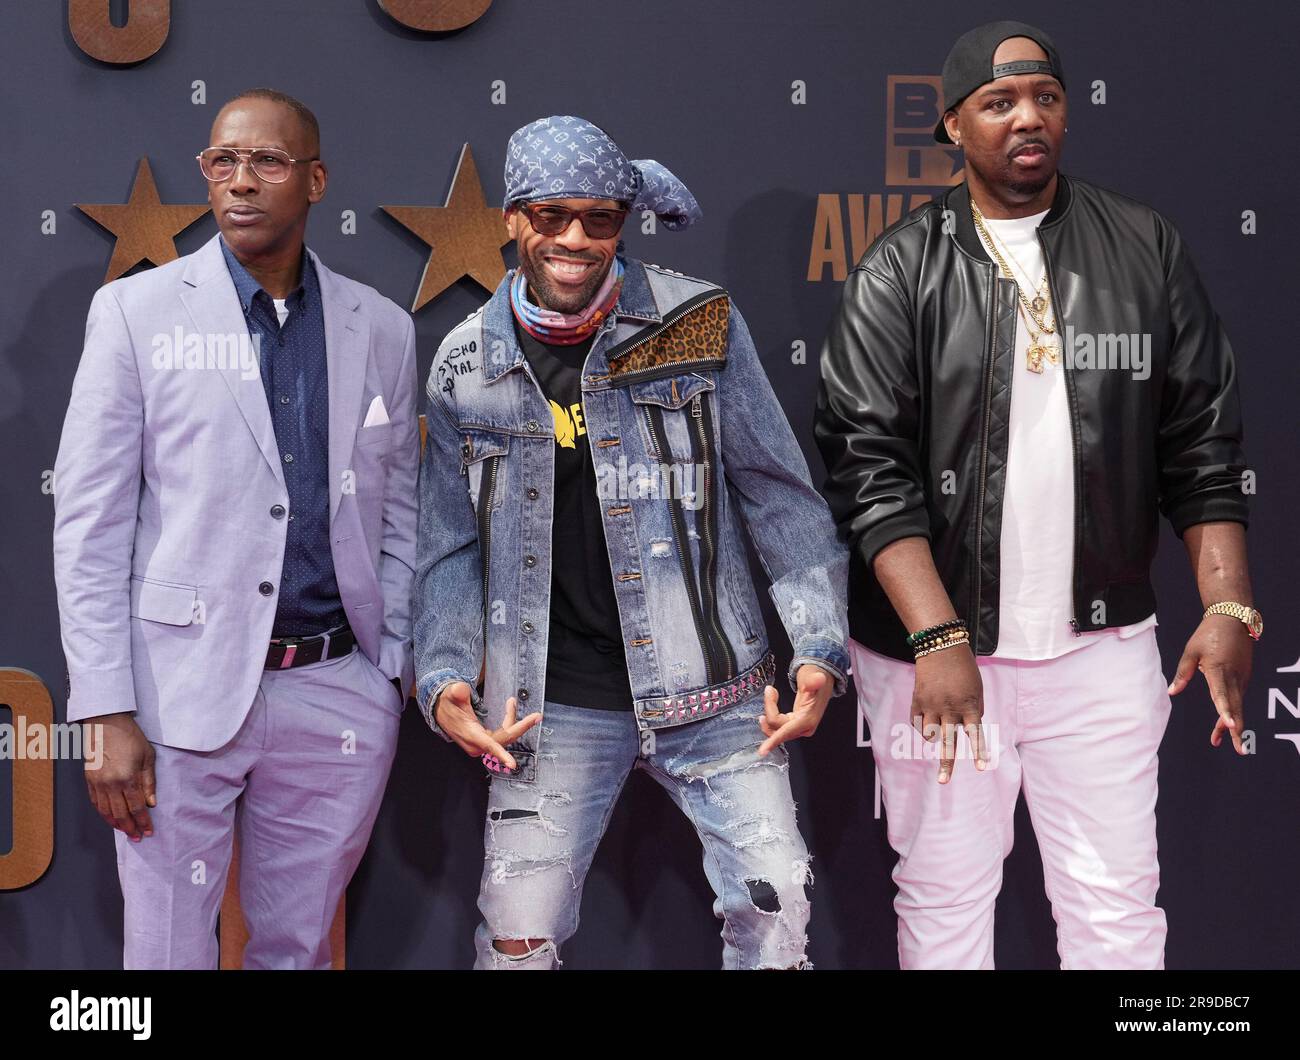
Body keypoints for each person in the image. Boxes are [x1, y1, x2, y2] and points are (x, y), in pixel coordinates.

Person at [815, 22, 1257, 969]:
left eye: (1046, 98)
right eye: (1000, 101)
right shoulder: (901, 267)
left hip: (1098, 655)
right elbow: (867, 466)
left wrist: (1225, 602)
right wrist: (938, 636)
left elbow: (1202, 443)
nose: (1029, 118)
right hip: (934, 657)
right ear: (953, 126)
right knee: (943, 903)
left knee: (1116, 909)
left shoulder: (1145, 248)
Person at [413, 115, 850, 969]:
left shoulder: (696, 322)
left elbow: (779, 496)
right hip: (549, 700)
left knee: (778, 905)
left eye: (600, 219)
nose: (575, 240)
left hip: (717, 693)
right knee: (516, 939)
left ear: (624, 220)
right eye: (550, 216)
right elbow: (448, 546)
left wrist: (818, 648)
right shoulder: (464, 362)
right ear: (512, 219)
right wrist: (442, 677)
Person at [53, 89, 419, 969]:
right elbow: (90, 521)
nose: (240, 182)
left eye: (268, 162)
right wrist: (103, 706)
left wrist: (389, 668)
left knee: (296, 953)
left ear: (316, 179)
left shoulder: (384, 328)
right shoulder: (135, 315)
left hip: (337, 688)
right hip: (177, 697)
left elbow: (401, 505)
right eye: (222, 162)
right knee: (167, 955)